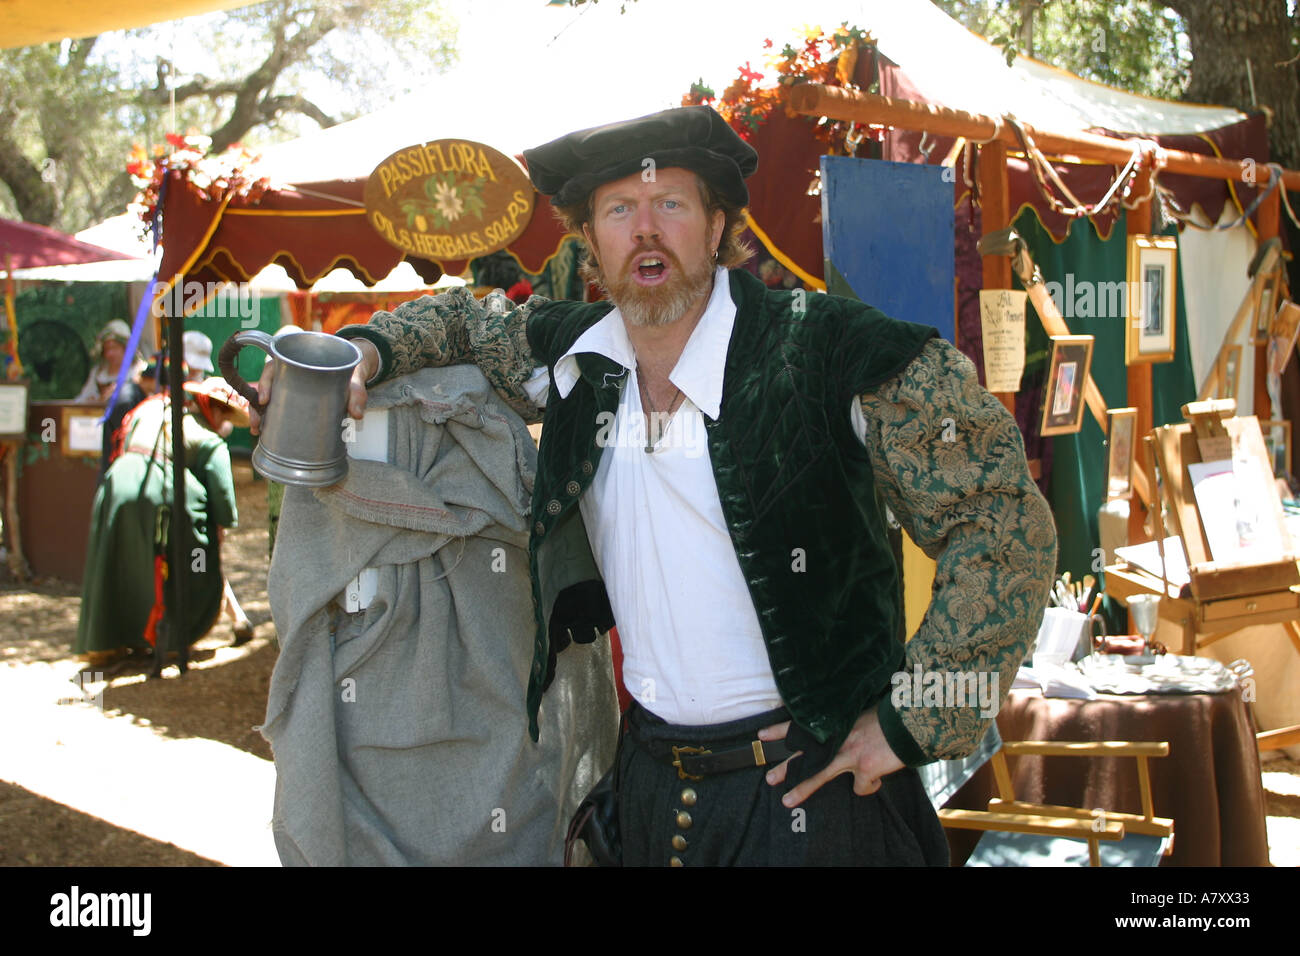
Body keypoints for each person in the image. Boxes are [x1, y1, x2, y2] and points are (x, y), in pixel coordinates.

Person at [255, 106, 1057, 866]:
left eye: (670, 202)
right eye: (617, 210)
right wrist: (361, 351)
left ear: (715, 229)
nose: (644, 229)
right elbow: (462, 321)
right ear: (591, 245)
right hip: (650, 790)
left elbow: (1001, 518)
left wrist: (912, 721)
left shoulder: (828, 350)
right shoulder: (572, 356)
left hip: (814, 802)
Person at [76, 377, 249, 666]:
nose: (223, 420)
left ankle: (106, 644)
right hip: (159, 488)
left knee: (121, 560)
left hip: (117, 483)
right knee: (186, 557)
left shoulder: (154, 408)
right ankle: (170, 639)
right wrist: (221, 523)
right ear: (214, 410)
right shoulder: (209, 439)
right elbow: (220, 494)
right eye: (223, 412)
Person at [74, 319, 146, 403]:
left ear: (126, 347)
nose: (110, 353)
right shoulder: (98, 373)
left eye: (114, 348)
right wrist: (98, 400)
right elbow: (81, 400)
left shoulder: (140, 370)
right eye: (106, 349)